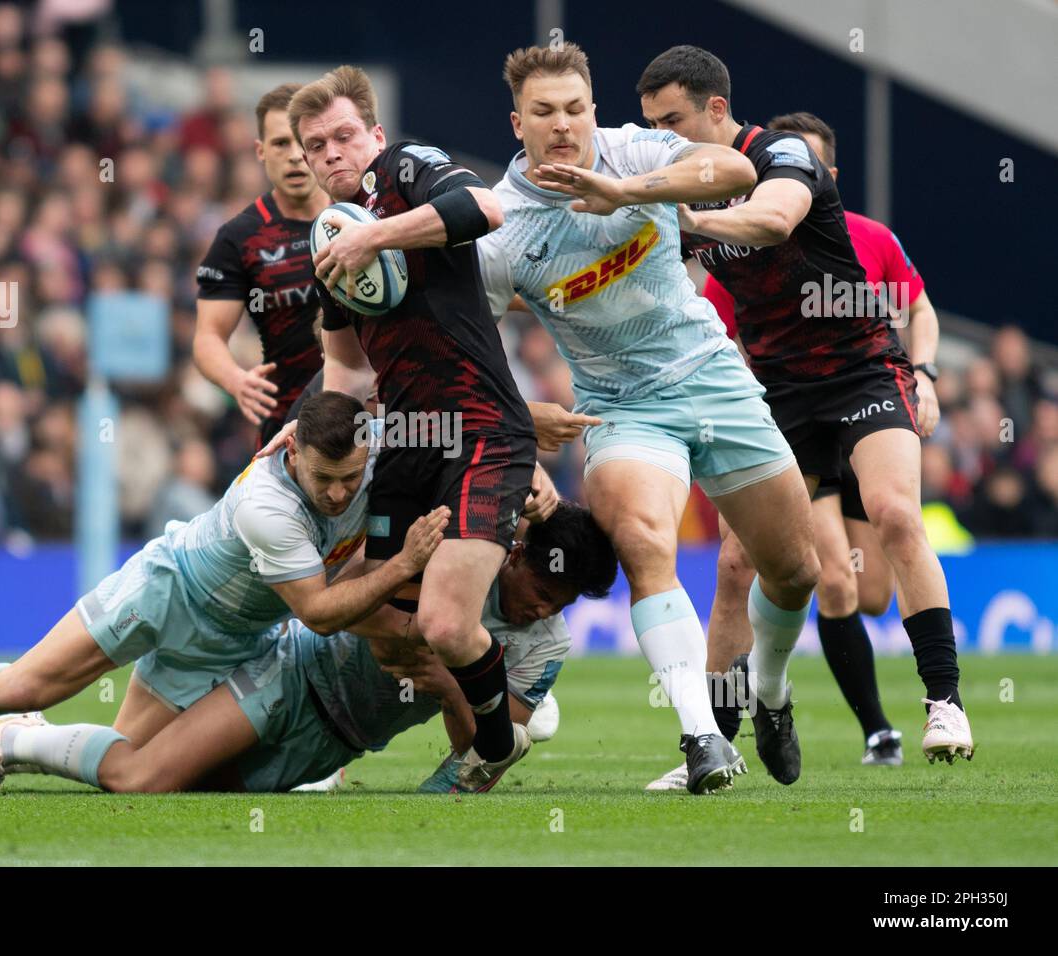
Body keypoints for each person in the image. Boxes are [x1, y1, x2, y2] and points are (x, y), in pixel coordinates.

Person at [477, 44, 819, 794]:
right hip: (622, 409)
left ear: (593, 110)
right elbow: (468, 343)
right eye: (544, 113)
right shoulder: (501, 231)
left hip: (712, 376)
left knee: (796, 572)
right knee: (640, 539)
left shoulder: (636, 149)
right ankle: (703, 738)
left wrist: (625, 189)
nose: (563, 125)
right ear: (518, 122)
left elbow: (736, 172)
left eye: (575, 108)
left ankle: (768, 691)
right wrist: (521, 413)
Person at [0, 393, 447, 794]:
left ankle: (4, 744)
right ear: (291, 452)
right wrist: (402, 568)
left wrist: (526, 449)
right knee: (26, 685)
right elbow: (316, 613)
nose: (339, 494)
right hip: (167, 591)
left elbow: (452, 421)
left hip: (230, 640)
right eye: (323, 478)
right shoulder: (269, 504)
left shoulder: (371, 450)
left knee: (134, 767)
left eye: (349, 478)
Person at [636, 45, 972, 772]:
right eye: (651, 126)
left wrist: (927, 373)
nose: (662, 137)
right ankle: (722, 739)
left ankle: (942, 703)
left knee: (893, 515)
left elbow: (771, 223)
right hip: (776, 394)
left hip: (860, 375)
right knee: (734, 567)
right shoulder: (678, 181)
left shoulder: (780, 155)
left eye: (672, 121)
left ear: (716, 110)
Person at [0, 503, 619, 796]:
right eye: (540, 588)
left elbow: (491, 753)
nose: (541, 609)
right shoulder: (450, 557)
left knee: (191, 789)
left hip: (337, 741)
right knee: (142, 778)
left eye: (561, 604)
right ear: (519, 550)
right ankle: (11, 742)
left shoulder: (545, 644)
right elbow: (338, 604)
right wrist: (405, 636)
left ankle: (33, 734)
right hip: (288, 672)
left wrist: (446, 683)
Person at [284, 65, 542, 790]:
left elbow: (484, 207)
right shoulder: (328, 242)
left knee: (446, 625)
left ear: (374, 134)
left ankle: (500, 736)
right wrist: (309, 430)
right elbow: (346, 369)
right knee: (373, 619)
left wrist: (377, 240)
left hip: (484, 430)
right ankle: (480, 712)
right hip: (407, 446)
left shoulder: (404, 170)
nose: (331, 153)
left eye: (342, 136)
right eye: (314, 147)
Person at [688, 111, 943, 774]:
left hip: (865, 397)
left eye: (816, 166)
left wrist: (928, 372)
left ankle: (783, 693)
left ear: (830, 175)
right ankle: (853, 731)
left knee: (869, 592)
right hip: (790, 410)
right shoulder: (740, 242)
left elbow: (916, 304)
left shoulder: (868, 238)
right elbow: (719, 332)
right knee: (814, 577)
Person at [193, 84, 329, 445]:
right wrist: (235, 379)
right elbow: (208, 336)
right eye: (281, 143)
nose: (296, 156)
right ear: (260, 151)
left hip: (375, 421)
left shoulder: (364, 214)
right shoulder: (238, 239)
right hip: (288, 427)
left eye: (305, 142)